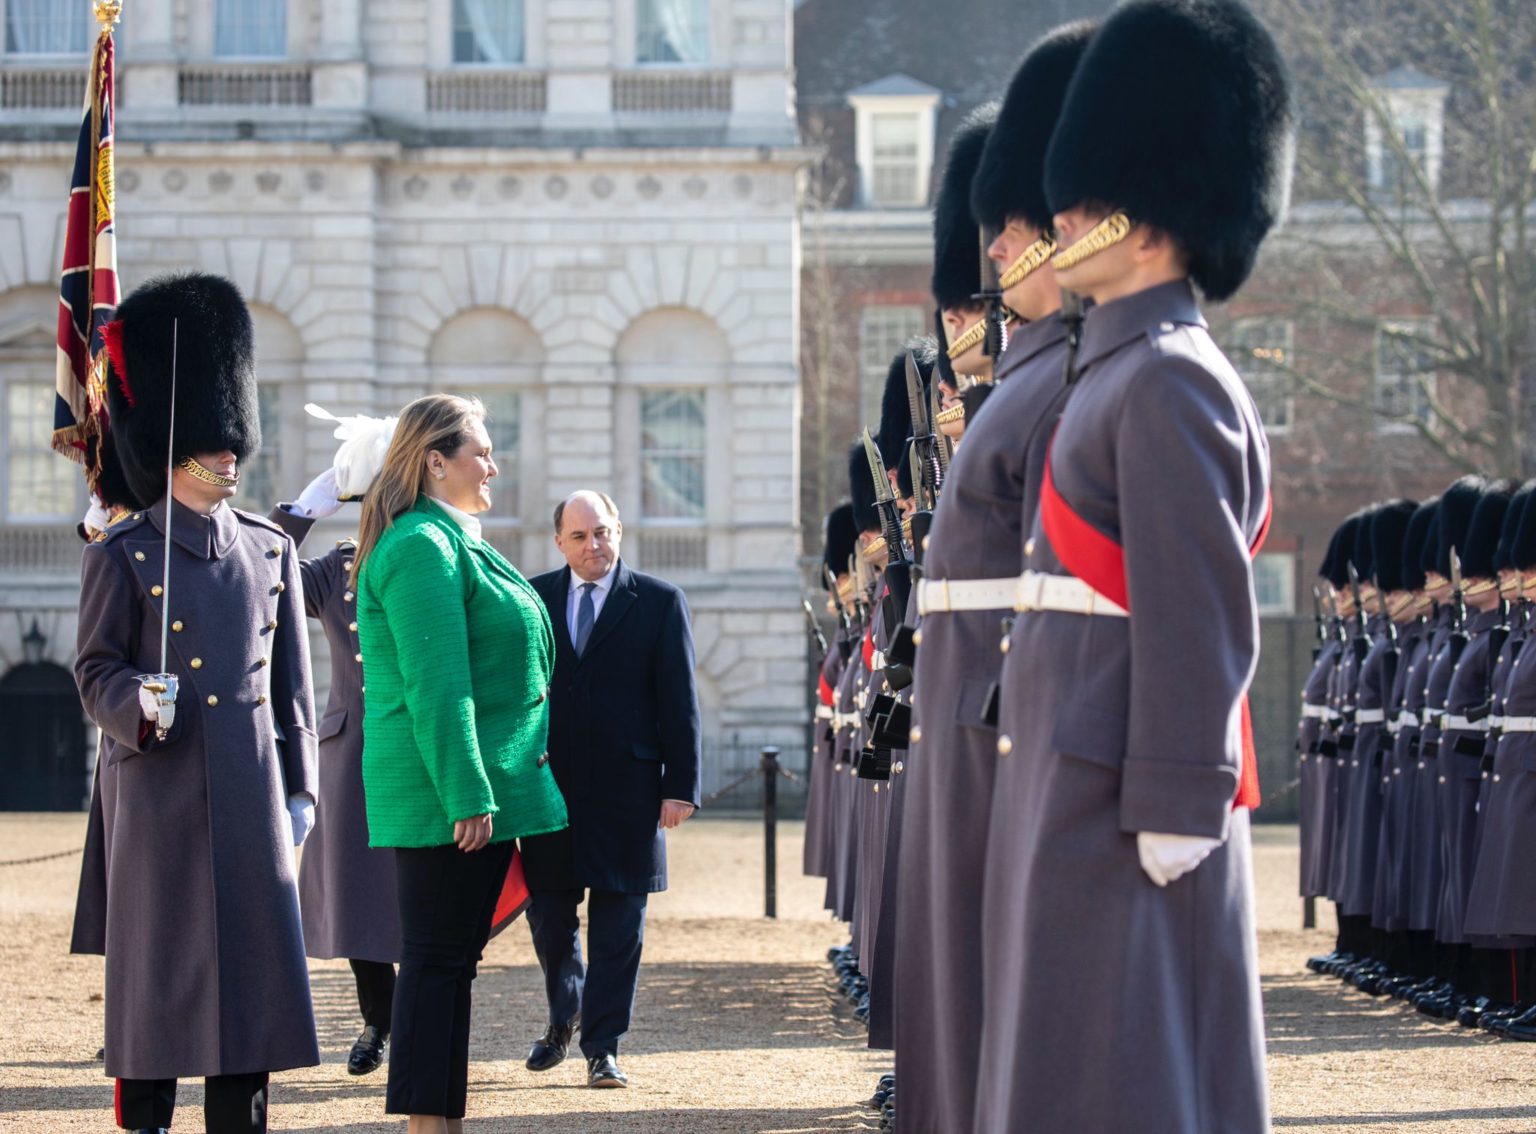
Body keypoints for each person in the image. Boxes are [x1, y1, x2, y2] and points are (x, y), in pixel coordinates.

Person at [977, 0, 1292, 1128]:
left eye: (1091, 203)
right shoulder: (1114, 375)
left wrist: (1177, 798)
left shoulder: (1170, 379)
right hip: (1069, 781)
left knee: (1131, 1071)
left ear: (1153, 219)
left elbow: (1199, 618)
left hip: (1123, 797)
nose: (1062, 220)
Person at [893, 24, 1093, 1134]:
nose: (1006, 248)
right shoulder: (1023, 379)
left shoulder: (1068, 377)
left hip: (1006, 720)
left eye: (1018, 229)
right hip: (966, 719)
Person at [74, 272, 320, 1134]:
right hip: (160, 793)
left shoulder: (266, 550)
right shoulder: (124, 554)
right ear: (177, 448)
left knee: (247, 1001)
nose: (231, 458)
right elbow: (93, 667)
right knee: (156, 1000)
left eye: (232, 446)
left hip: (251, 799)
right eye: (216, 447)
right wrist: (135, 705)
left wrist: (302, 789)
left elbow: (291, 686)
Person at [352, 394, 568, 1134]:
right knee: (438, 964)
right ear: (435, 461)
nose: (493, 464)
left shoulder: (452, 538)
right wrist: (467, 794)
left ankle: (438, 1123)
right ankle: (425, 1126)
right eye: (480, 450)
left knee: (447, 966)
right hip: (447, 795)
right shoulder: (421, 545)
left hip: (472, 790)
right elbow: (437, 687)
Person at [519, 490, 703, 1089]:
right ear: (559, 543)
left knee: (621, 926)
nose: (592, 545)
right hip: (550, 787)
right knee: (549, 915)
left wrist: (681, 787)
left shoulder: (658, 601)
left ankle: (603, 1046)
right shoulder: (534, 598)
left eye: (601, 532)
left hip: (631, 790)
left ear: (618, 529)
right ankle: (565, 1012)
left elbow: (681, 703)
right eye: (579, 537)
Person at [268, 406, 402, 1077]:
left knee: (419, 886)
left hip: (416, 743)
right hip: (350, 751)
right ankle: (379, 1017)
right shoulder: (335, 569)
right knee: (355, 892)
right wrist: (304, 508)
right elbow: (259, 572)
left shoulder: (427, 558)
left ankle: (415, 1015)